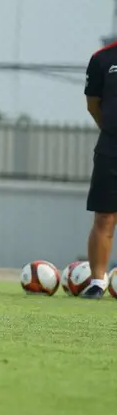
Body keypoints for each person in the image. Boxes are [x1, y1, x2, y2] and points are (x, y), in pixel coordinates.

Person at [81, 40, 117, 299]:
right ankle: (97, 282)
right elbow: (94, 105)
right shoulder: (102, 59)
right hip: (111, 147)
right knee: (104, 217)